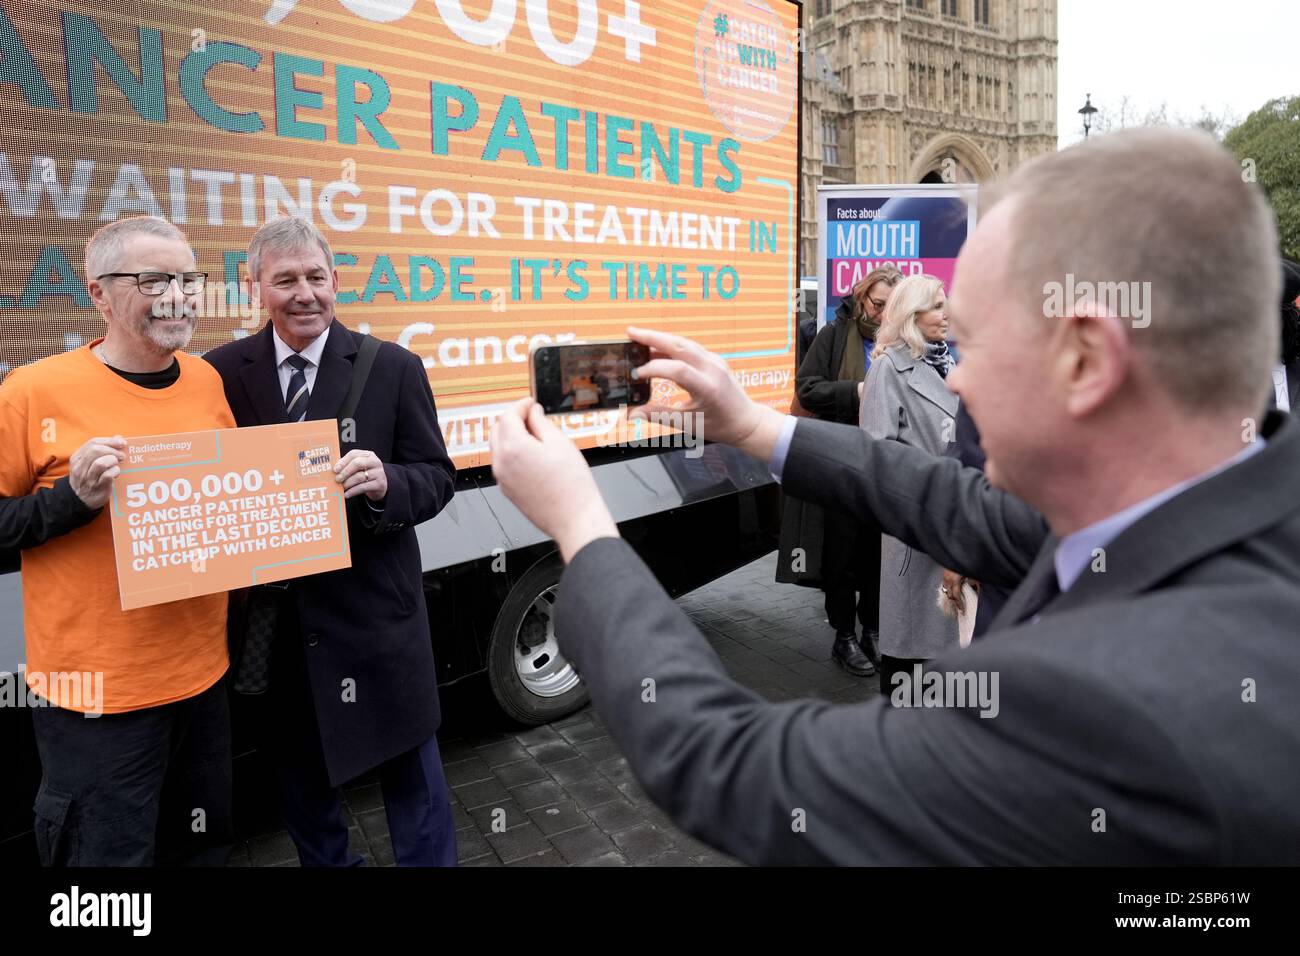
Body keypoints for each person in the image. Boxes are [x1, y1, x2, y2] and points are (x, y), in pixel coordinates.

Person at [488, 127, 1300, 864]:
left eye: (974, 342)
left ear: (1087, 361)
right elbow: (956, 504)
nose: (962, 375)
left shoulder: (1111, 698)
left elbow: (732, 768)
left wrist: (582, 529)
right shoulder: (1193, 508)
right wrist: (752, 425)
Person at [204, 217, 457, 867]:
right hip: (278, 626)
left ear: (336, 282)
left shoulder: (393, 367)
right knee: (301, 784)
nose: (304, 293)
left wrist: (387, 483)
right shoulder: (219, 373)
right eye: (285, 279)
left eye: (316, 277)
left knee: (414, 777)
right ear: (256, 287)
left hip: (375, 615)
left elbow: (437, 478)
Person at [0, 216, 235, 866]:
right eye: (154, 279)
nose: (180, 295)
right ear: (99, 294)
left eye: (190, 279)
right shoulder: (31, 392)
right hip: (95, 702)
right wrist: (68, 502)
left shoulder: (206, 381)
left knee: (201, 851)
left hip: (201, 681)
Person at [781, 266, 903, 676]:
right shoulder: (833, 335)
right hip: (838, 462)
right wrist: (856, 392)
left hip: (883, 465)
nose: (883, 315)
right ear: (862, 296)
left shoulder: (902, 343)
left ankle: (872, 630)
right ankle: (843, 637)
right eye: (877, 304)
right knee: (840, 555)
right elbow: (807, 388)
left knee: (877, 555)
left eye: (892, 307)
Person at [859, 274, 958, 691]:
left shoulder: (949, 363)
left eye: (944, 302)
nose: (946, 312)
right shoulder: (888, 367)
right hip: (917, 532)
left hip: (955, 525)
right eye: (936, 305)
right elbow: (874, 459)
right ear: (911, 315)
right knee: (913, 662)